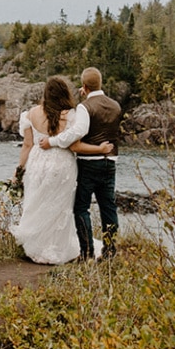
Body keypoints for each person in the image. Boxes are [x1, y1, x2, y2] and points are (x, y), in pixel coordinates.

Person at [10, 75, 114, 264]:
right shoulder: (70, 115)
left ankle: (36, 248)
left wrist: (18, 171)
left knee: (37, 202)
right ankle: (57, 248)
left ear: (45, 94)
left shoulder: (30, 114)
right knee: (60, 207)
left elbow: (26, 145)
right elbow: (74, 145)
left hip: (37, 164)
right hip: (62, 165)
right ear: (64, 94)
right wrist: (99, 149)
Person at [53, 66, 122, 259]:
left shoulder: (85, 106)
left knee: (81, 208)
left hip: (88, 163)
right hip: (110, 162)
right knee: (108, 207)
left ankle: (87, 251)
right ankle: (110, 250)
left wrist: (54, 141)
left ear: (84, 86)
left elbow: (79, 131)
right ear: (100, 83)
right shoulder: (116, 105)